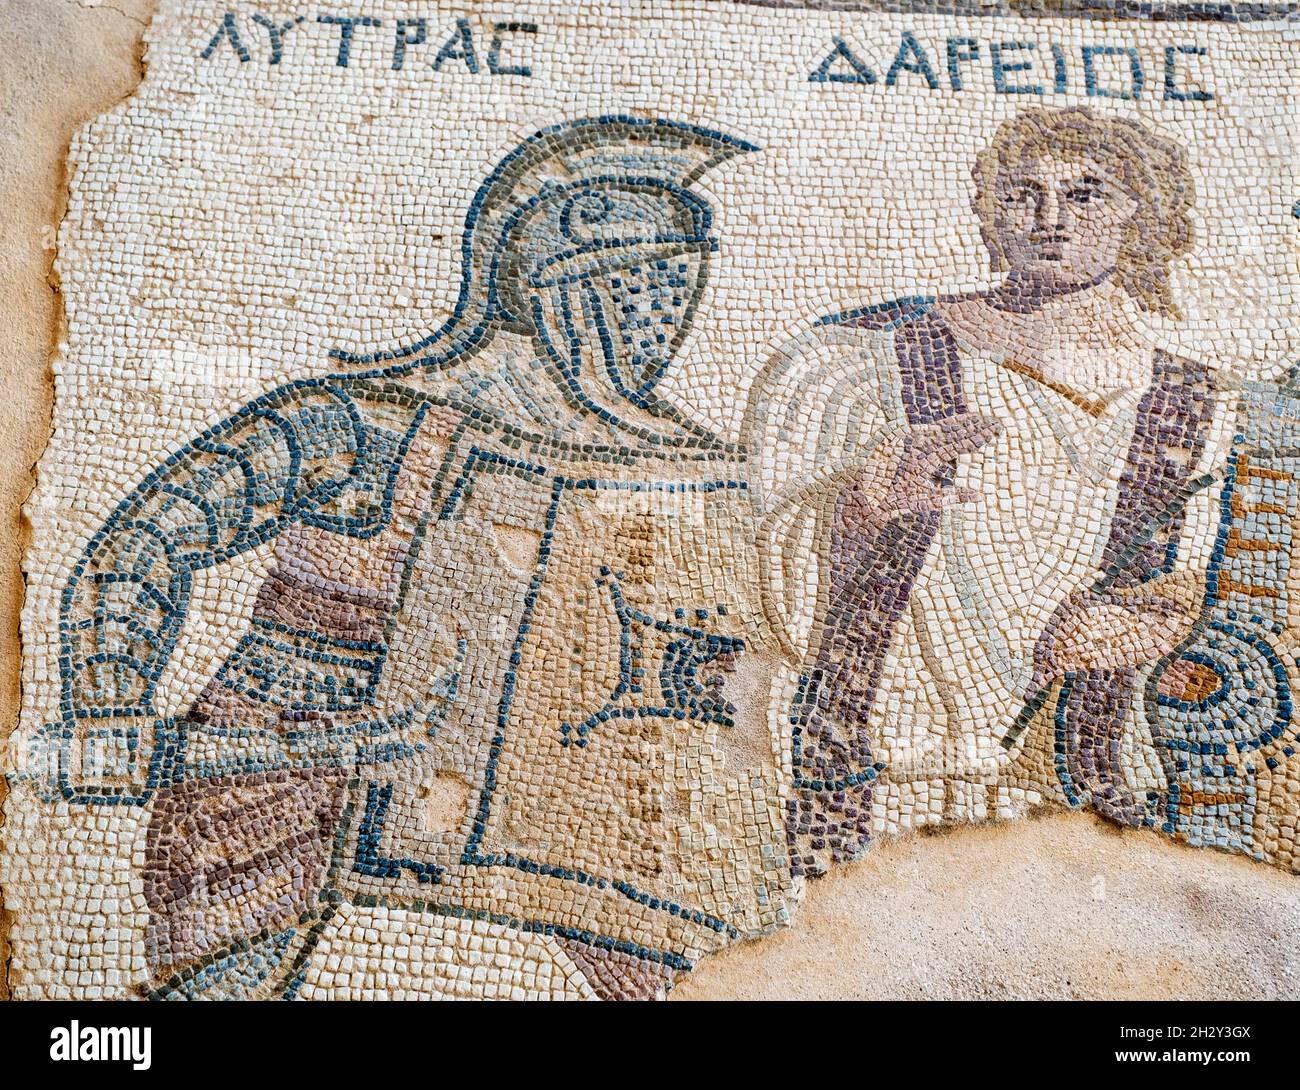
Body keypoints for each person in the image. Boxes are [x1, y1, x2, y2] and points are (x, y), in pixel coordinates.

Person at [40, 116, 777, 997]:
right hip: (285, 764)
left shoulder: (682, 466)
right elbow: (157, 534)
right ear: (557, 284)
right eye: (639, 289)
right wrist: (108, 707)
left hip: (578, 798)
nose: (665, 321)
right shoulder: (365, 424)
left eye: (678, 289)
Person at [745, 106, 1233, 877]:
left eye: (1085, 194)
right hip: (891, 766)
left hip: (1083, 779)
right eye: (1021, 194)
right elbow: (762, 582)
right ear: (988, 211)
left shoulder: (1198, 401)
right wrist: (861, 506)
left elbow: (1205, 581)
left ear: (1144, 212)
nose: (1049, 218)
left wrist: (1162, 624)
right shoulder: (860, 361)